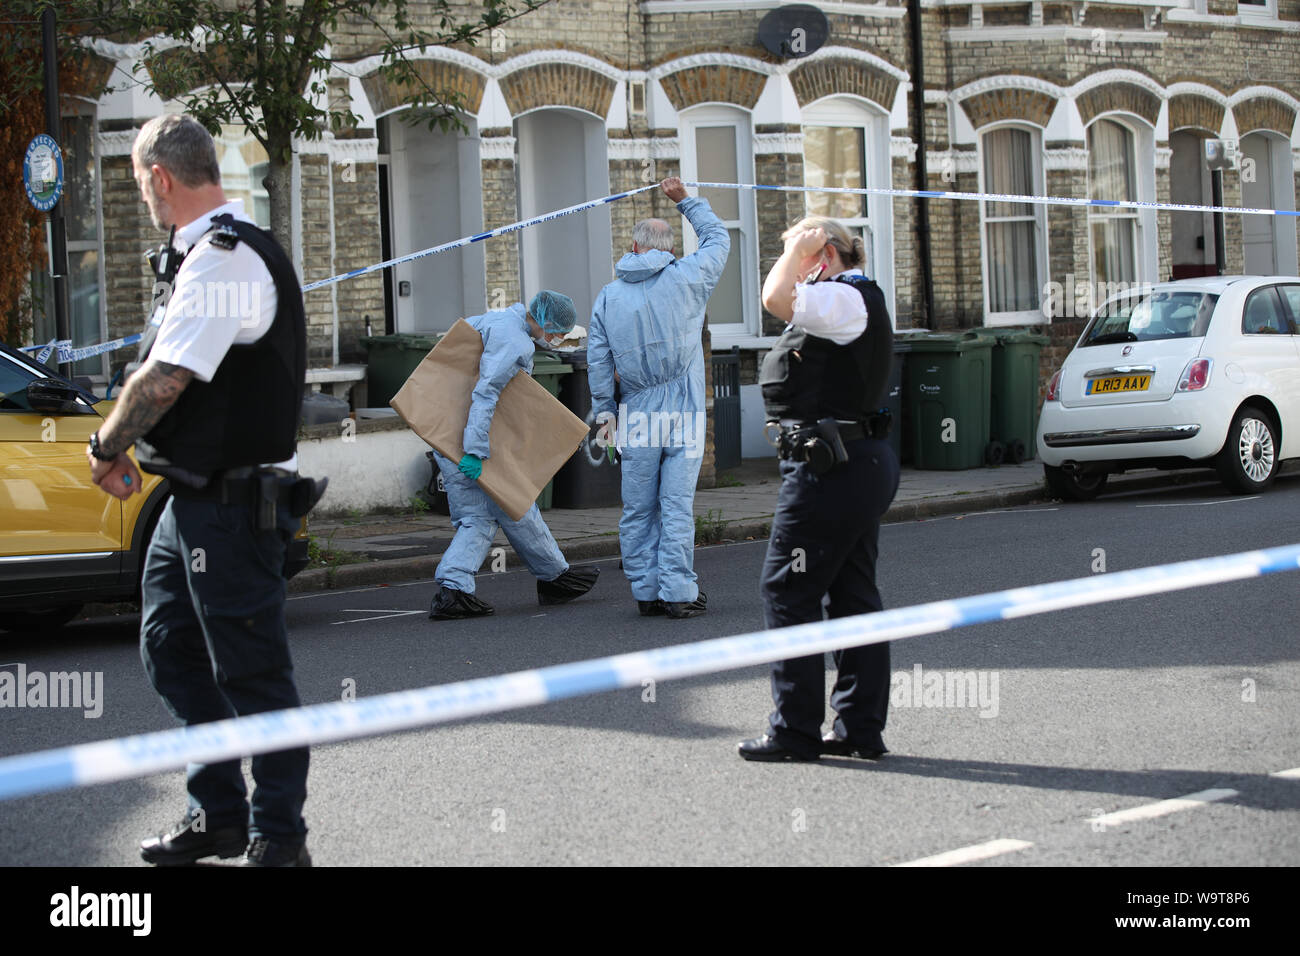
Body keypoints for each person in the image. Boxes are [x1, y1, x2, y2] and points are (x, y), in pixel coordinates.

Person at [86, 114, 320, 864]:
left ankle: (280, 838)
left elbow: (163, 378)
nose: (143, 201)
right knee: (169, 649)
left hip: (233, 502)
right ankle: (217, 812)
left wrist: (104, 445)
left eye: (139, 186)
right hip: (190, 499)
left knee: (253, 672)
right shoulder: (198, 257)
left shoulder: (224, 259)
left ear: (160, 178)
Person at [738, 217, 899, 762]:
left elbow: (774, 297)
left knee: (787, 589)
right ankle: (857, 727)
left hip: (831, 467)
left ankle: (795, 731)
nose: (791, 268)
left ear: (823, 254)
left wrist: (800, 253)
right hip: (852, 462)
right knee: (853, 595)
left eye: (798, 256)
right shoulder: (847, 300)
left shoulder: (842, 298)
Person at [587, 177, 729, 619]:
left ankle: (647, 590)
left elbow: (597, 360)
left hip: (635, 413)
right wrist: (685, 200)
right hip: (683, 411)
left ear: (632, 247)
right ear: (669, 250)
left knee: (638, 507)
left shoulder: (609, 296)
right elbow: (718, 238)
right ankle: (678, 590)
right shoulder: (688, 277)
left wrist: (605, 413)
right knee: (675, 506)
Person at [429, 291, 600, 619]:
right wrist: (476, 451)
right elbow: (487, 392)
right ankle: (553, 577)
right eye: (559, 332)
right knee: (515, 503)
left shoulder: (500, 320)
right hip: (469, 439)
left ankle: (454, 588)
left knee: (480, 516)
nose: (559, 339)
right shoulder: (515, 342)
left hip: (448, 431)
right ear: (547, 323)